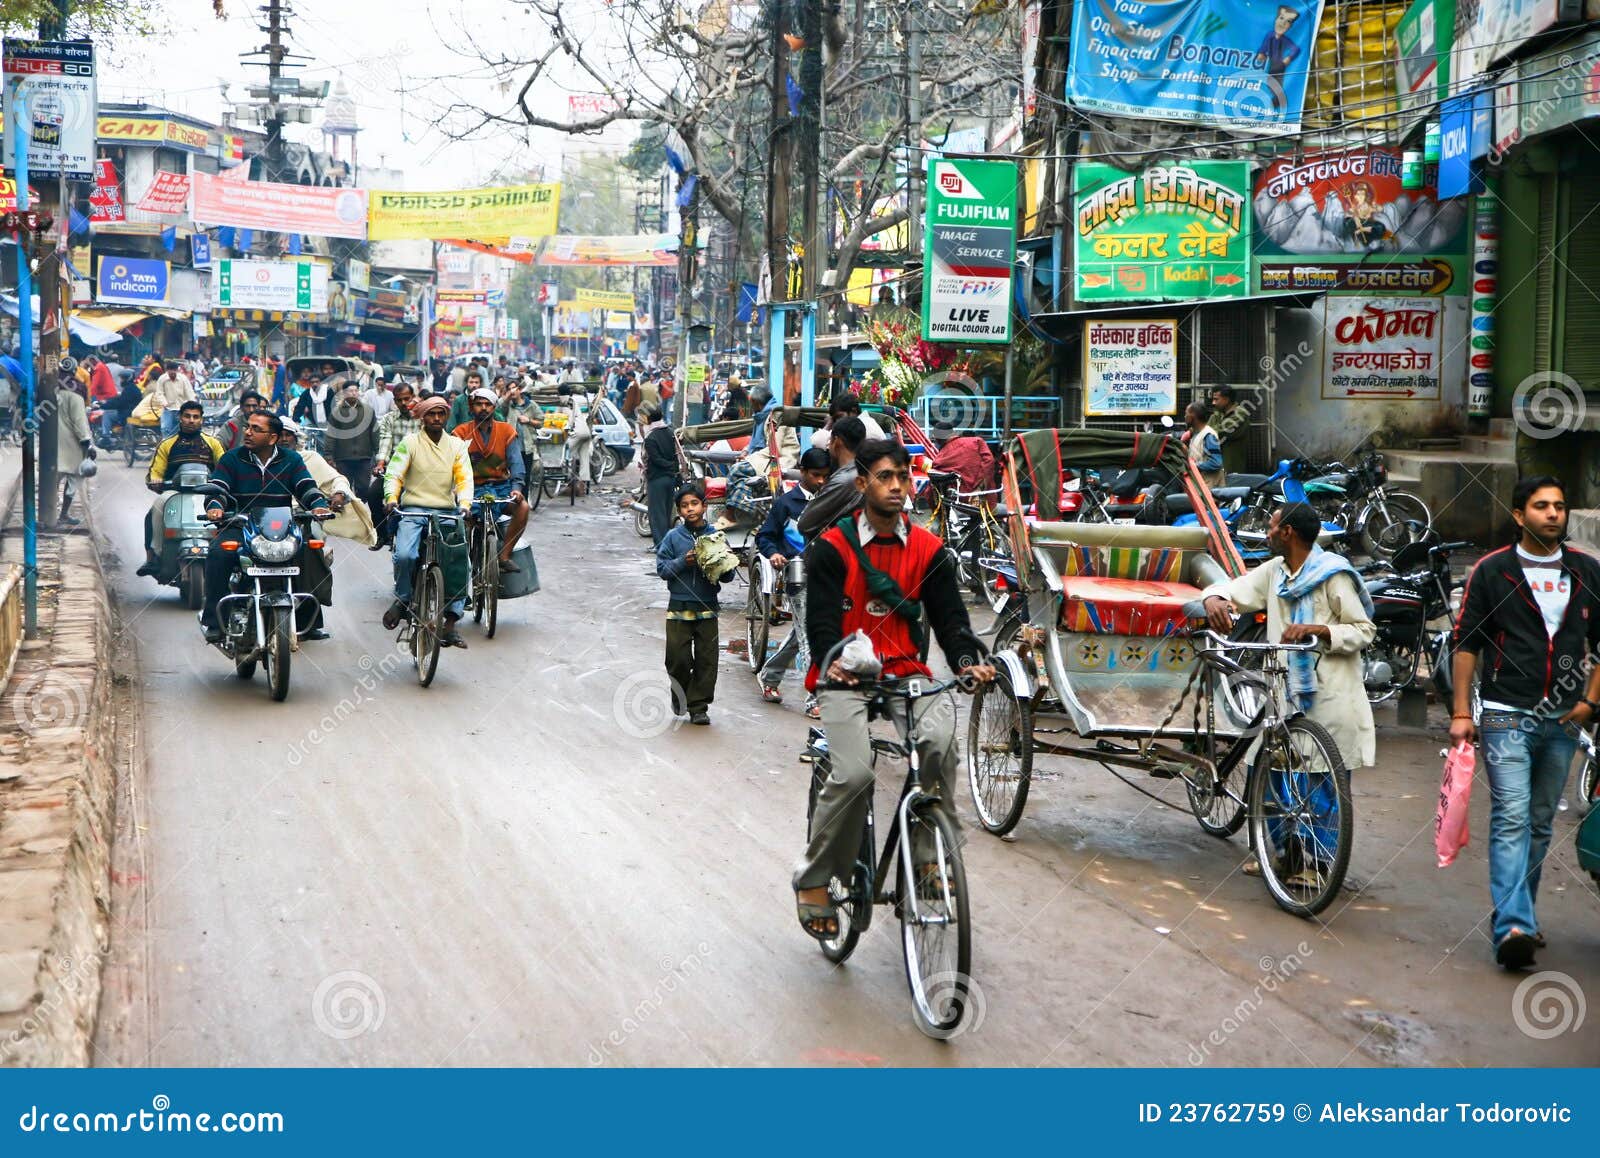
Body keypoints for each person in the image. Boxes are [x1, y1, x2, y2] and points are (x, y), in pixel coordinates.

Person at [793, 439, 995, 939]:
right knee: (855, 772)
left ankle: (927, 861)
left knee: (940, 742)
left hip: (907, 671)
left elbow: (952, 622)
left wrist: (969, 662)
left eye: (904, 476)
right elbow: (819, 625)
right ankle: (815, 880)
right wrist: (831, 660)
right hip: (845, 676)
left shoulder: (929, 551)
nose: (897, 486)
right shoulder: (831, 549)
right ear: (861, 484)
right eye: (885, 477)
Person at [1449, 476, 1600, 970]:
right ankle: (1512, 924)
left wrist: (1590, 704)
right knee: (1512, 816)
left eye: (1559, 505)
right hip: (1506, 714)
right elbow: (1466, 644)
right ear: (1519, 515)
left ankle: (1523, 917)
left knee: (1538, 823)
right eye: (1541, 506)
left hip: (1562, 721)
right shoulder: (1493, 572)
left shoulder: (1586, 571)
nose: (1553, 514)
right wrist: (1460, 713)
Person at [1200, 503, 1376, 881]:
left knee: (1321, 785)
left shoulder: (1333, 576)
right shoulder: (1274, 572)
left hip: (1328, 694)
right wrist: (1214, 599)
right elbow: (1234, 590)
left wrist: (1320, 630)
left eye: (1271, 526)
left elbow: (1364, 629)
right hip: (1284, 691)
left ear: (1288, 533)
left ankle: (1319, 867)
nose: (1266, 533)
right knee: (1276, 774)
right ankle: (1281, 855)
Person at [200, 411, 333, 642]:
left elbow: (307, 486)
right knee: (218, 554)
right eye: (248, 427)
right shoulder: (232, 459)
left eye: (255, 429)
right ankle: (214, 621)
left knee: (311, 551)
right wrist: (215, 506)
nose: (248, 432)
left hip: (279, 527)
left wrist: (319, 505)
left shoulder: (291, 460)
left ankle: (308, 621)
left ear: (272, 438)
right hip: (239, 524)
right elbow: (218, 489)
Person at [383, 395, 473, 647]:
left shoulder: (456, 445)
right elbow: (394, 474)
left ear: (446, 416)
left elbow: (465, 479)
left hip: (446, 512)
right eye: (431, 414)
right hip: (413, 510)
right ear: (423, 417)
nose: (436, 418)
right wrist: (391, 497)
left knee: (459, 563)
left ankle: (452, 621)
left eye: (440, 414)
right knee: (404, 556)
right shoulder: (409, 443)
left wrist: (464, 505)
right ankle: (402, 599)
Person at [756, 447, 833, 713]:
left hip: (828, 576)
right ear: (803, 472)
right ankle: (815, 700)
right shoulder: (786, 504)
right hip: (797, 576)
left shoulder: (833, 501)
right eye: (816, 475)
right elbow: (765, 536)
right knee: (810, 638)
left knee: (801, 634)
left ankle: (769, 677)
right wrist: (774, 553)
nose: (821, 481)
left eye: (826, 476)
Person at [655, 484, 726, 726]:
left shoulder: (716, 535)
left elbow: (727, 576)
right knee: (677, 658)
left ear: (704, 507)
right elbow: (662, 569)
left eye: (694, 504)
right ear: (679, 511)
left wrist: (721, 562)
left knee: (708, 659)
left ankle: (698, 707)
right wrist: (682, 562)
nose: (690, 509)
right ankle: (680, 695)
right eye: (684, 506)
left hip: (708, 606)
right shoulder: (673, 537)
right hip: (678, 605)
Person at [138, 400, 224, 576]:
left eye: (195, 417)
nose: (191, 420)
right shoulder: (167, 444)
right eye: (187, 416)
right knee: (155, 509)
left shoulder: (213, 443)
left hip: (208, 492)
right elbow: (156, 472)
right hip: (174, 492)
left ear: (201, 420)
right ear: (180, 418)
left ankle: (226, 553)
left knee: (227, 512)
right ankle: (152, 557)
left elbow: (224, 469)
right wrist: (156, 480)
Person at [453, 386, 529, 571]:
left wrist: (517, 488)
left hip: (501, 487)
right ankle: (463, 563)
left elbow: (516, 463)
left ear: (494, 408)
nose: (484, 408)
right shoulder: (460, 432)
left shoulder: (506, 431)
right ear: (472, 408)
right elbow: (451, 464)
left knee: (523, 507)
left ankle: (504, 555)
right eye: (479, 404)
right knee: (463, 523)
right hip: (470, 488)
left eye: (488, 404)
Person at [797, 415, 867, 539]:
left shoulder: (844, 480)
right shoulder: (866, 470)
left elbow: (804, 524)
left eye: (830, 440)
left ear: (837, 441)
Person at [370, 382, 422, 549]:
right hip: (395, 471)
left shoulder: (422, 417)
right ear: (395, 401)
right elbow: (385, 442)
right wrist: (380, 463)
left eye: (407, 399)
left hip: (418, 471)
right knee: (373, 494)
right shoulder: (389, 419)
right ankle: (382, 534)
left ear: (413, 398)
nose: (404, 403)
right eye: (399, 400)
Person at [54, 373, 93, 527]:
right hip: (72, 446)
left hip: (53, 445)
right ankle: (63, 514)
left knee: (52, 482)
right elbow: (80, 424)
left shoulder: (54, 395)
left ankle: (49, 514)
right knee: (73, 481)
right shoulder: (75, 398)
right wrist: (88, 444)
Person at [324, 379, 378, 486]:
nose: (354, 393)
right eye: (350, 391)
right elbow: (331, 435)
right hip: (343, 458)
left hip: (364, 457)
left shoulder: (368, 410)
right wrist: (328, 456)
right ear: (344, 393)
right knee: (345, 487)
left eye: (356, 390)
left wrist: (378, 454)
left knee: (363, 489)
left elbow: (375, 433)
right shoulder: (336, 412)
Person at [641, 406, 680, 549]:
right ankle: (666, 545)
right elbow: (677, 454)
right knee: (667, 511)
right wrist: (674, 469)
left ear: (649, 419)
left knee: (657, 515)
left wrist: (668, 466)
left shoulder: (650, 437)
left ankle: (660, 545)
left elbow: (654, 459)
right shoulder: (670, 432)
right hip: (670, 478)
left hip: (657, 479)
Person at [928, 420, 995, 494]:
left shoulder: (939, 459)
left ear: (937, 439)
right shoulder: (977, 441)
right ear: (952, 433)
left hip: (958, 499)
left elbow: (933, 486)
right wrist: (979, 484)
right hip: (982, 496)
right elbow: (989, 461)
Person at [809, 393, 885, 451]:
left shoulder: (865, 426)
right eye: (835, 419)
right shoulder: (864, 423)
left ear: (854, 411)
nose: (838, 422)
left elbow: (817, 441)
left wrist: (829, 424)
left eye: (840, 416)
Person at [1209, 385, 1250, 477]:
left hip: (1231, 464)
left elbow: (1218, 431)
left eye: (1216, 399)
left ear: (1226, 399)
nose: (1213, 403)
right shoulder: (1218, 414)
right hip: (1216, 464)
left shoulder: (1240, 413)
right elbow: (1207, 431)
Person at [1183, 400, 1225, 489]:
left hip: (1210, 488)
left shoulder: (1208, 435)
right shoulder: (1196, 434)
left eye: (1186, 414)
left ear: (1193, 415)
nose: (1185, 416)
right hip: (1202, 485)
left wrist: (1194, 466)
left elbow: (1216, 462)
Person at [153, 360, 196, 438]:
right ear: (167, 370)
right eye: (170, 370)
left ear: (177, 370)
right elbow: (159, 393)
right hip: (168, 409)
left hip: (181, 408)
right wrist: (164, 402)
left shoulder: (183, 379)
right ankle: (167, 447)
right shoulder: (162, 379)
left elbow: (189, 392)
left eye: (174, 370)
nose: (172, 372)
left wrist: (192, 405)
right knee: (165, 428)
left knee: (182, 430)